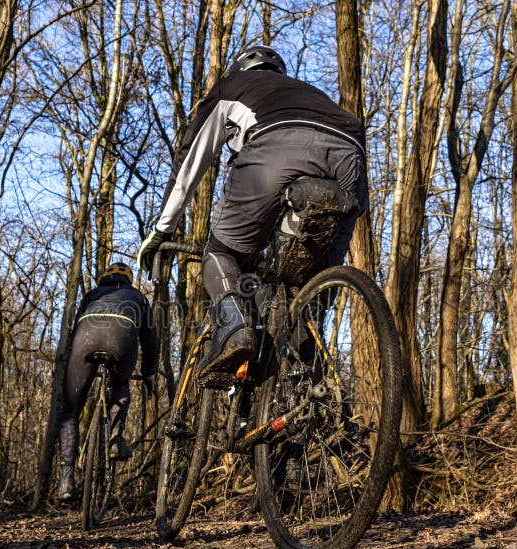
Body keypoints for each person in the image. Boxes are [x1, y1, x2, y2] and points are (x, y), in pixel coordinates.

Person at [138, 44, 367, 378]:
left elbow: (189, 161)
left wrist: (163, 229)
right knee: (310, 289)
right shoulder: (312, 94)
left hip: (276, 147)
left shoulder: (232, 86)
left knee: (220, 251)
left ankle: (234, 327)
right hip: (351, 155)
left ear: (240, 70)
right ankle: (308, 388)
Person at [57, 262, 158, 501]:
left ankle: (66, 480)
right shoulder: (138, 297)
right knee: (120, 387)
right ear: (129, 280)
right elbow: (150, 340)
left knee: (70, 411)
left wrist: (66, 366)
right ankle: (115, 438)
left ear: (105, 277)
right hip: (121, 338)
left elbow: (73, 331)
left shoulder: (92, 294)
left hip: (85, 337)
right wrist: (148, 373)